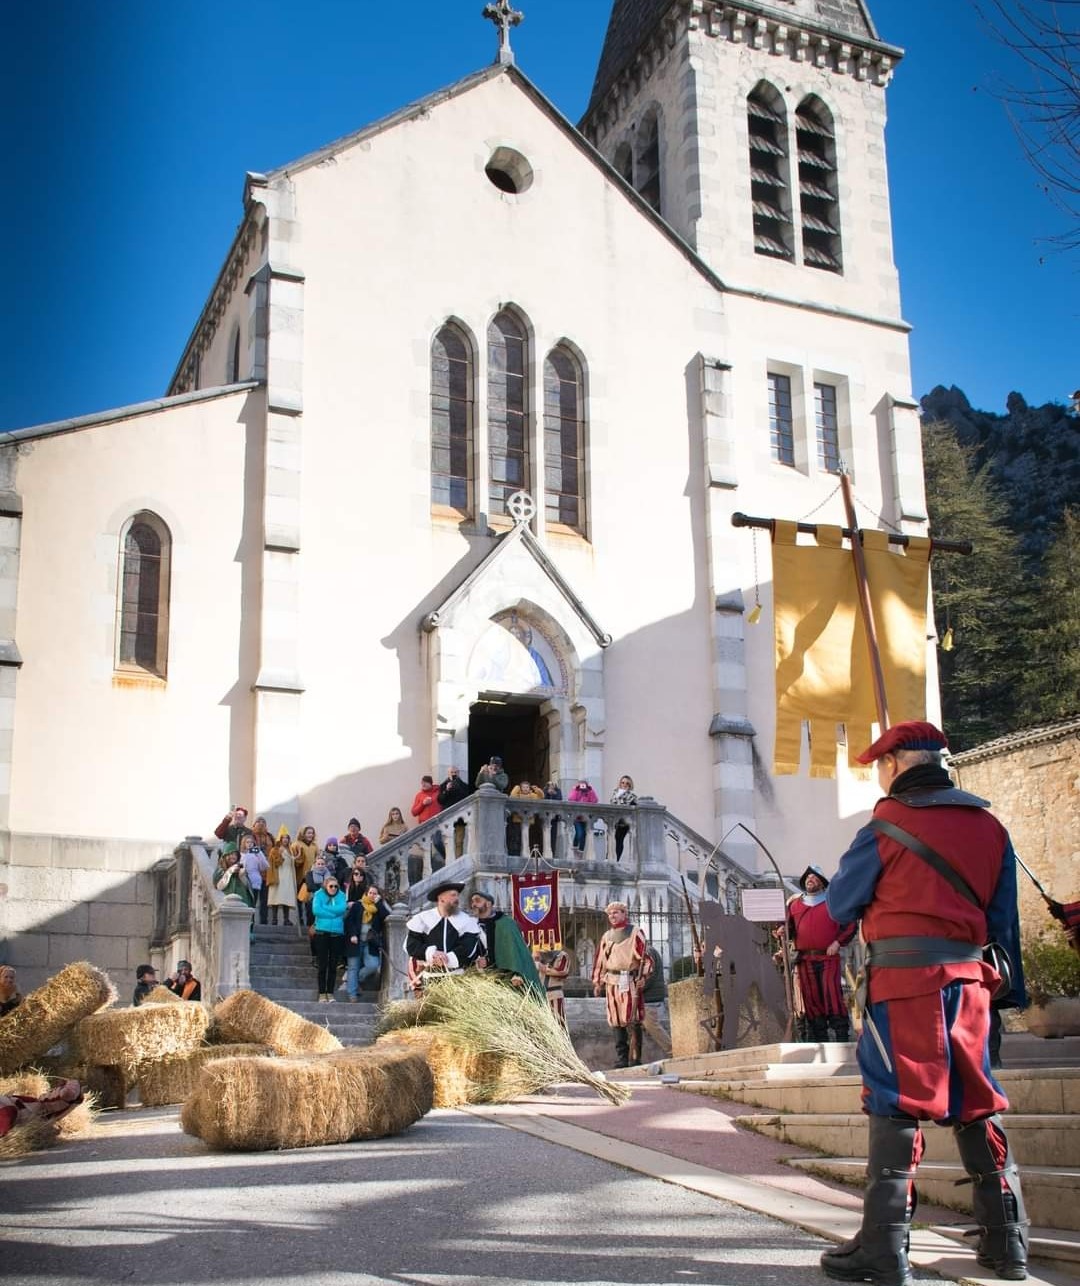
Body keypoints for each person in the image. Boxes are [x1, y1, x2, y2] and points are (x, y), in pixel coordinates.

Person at [819, 721, 1028, 1286]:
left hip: (904, 986)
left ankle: (885, 1252)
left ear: (895, 764)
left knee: (895, 1105)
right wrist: (1012, 996)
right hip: (972, 986)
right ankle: (1008, 1247)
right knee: (977, 1102)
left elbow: (840, 903)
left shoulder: (886, 823)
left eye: (878, 768)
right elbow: (1003, 921)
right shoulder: (989, 826)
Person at [779, 865, 856, 1043]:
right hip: (805, 959)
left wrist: (838, 942)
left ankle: (842, 1039)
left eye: (814, 877)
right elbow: (787, 926)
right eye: (808, 877)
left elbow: (850, 924)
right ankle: (822, 1041)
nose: (810, 879)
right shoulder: (795, 905)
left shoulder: (833, 902)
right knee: (812, 1001)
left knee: (832, 996)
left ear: (821, 882)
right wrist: (782, 929)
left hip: (828, 958)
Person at [592, 901, 652, 1068]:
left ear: (624, 914)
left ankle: (635, 1057)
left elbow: (646, 959)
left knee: (632, 1018)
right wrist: (598, 982)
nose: (612, 916)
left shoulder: (635, 933)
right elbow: (600, 960)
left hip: (630, 980)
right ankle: (622, 1058)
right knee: (615, 1019)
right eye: (610, 913)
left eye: (616, 912)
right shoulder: (606, 936)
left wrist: (644, 977)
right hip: (611, 981)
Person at [405, 881, 484, 985]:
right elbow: (412, 945)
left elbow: (468, 947)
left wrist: (447, 958)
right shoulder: (423, 919)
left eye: (457, 895)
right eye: (453, 895)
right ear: (441, 898)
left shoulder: (466, 921)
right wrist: (432, 954)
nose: (457, 899)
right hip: (429, 980)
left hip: (457, 979)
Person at [469, 889, 544, 997]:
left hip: (506, 980)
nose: (473, 904)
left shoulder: (507, 924)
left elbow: (516, 952)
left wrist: (516, 973)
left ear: (489, 904)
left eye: (477, 901)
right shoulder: (471, 925)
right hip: (481, 981)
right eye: (472, 902)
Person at [344, 884, 389, 1000]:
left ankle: (354, 980)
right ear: (366, 893)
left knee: (373, 965)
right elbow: (350, 921)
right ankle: (352, 994)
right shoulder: (358, 905)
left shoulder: (378, 907)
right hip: (355, 941)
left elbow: (386, 917)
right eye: (371, 893)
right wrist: (353, 934)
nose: (372, 895)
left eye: (375, 893)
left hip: (370, 942)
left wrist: (379, 903)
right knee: (353, 967)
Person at [311, 873, 347, 1002]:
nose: (333, 888)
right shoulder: (318, 895)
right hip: (321, 933)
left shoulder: (342, 896)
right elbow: (316, 911)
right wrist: (333, 913)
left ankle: (330, 993)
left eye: (336, 886)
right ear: (326, 886)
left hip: (336, 934)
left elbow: (342, 909)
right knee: (322, 965)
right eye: (331, 886)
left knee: (333, 965)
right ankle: (321, 993)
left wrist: (325, 909)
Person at [410, 775, 446, 865]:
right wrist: (423, 803)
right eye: (422, 783)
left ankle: (447, 858)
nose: (423, 784)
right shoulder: (419, 795)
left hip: (436, 823)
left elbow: (444, 804)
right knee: (426, 846)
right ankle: (427, 866)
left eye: (425, 782)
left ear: (430, 783)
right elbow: (414, 812)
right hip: (424, 824)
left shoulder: (438, 792)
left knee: (437, 842)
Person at [438, 766, 472, 857]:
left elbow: (466, 798)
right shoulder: (442, 786)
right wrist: (446, 790)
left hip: (460, 818)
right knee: (448, 842)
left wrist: (458, 786)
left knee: (459, 842)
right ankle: (449, 860)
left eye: (455, 772)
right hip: (448, 818)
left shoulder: (464, 785)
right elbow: (440, 800)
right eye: (452, 772)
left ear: (458, 773)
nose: (454, 774)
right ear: (448, 773)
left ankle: (458, 860)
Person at [267, 825, 297, 927]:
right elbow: (275, 863)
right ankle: (274, 919)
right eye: (283, 838)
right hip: (278, 874)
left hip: (288, 875)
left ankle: (286, 919)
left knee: (286, 897)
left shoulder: (291, 850)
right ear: (280, 839)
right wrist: (279, 855)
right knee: (276, 897)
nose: (285, 840)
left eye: (287, 838)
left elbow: (295, 861)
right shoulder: (275, 850)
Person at [238, 832, 270, 924]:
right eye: (247, 842)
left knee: (253, 902)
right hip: (243, 880)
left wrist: (259, 853)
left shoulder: (257, 854)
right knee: (244, 902)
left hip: (254, 880)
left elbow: (265, 866)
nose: (249, 844)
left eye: (251, 842)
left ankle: (251, 922)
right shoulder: (240, 854)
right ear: (244, 843)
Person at [378, 807, 408, 903]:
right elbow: (381, 841)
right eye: (393, 814)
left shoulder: (404, 826)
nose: (395, 816)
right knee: (391, 876)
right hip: (390, 855)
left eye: (397, 813)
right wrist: (386, 837)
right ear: (390, 816)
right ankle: (391, 897)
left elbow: (409, 840)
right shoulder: (386, 827)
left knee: (400, 875)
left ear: (400, 815)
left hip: (400, 855)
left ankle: (399, 895)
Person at [507, 778, 544, 856]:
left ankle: (527, 852)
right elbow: (512, 796)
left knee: (527, 838)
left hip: (529, 820)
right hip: (517, 820)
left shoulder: (532, 795)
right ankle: (516, 853)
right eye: (523, 787)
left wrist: (536, 789)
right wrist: (517, 787)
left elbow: (541, 796)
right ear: (521, 788)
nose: (525, 789)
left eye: (527, 787)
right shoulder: (518, 794)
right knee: (517, 837)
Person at [535, 947, 571, 1025]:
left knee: (558, 1022)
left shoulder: (563, 955)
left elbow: (562, 972)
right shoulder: (537, 954)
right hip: (540, 993)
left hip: (554, 993)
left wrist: (542, 967)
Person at [292, 826, 319, 928]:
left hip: (311, 877)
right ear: (303, 834)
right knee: (299, 899)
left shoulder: (314, 846)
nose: (310, 835)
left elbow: (317, 859)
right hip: (300, 876)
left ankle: (309, 920)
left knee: (309, 901)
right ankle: (300, 920)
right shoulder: (296, 845)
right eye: (308, 833)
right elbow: (293, 860)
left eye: (312, 833)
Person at [215, 842, 254, 906]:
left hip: (243, 902)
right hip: (227, 903)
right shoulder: (220, 870)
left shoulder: (240, 867)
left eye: (235, 854)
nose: (233, 856)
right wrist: (230, 871)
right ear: (225, 856)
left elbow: (248, 888)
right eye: (230, 854)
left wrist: (242, 876)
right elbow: (219, 886)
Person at [609, 775, 637, 861]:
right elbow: (612, 804)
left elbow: (631, 807)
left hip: (624, 822)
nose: (624, 785)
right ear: (620, 783)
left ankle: (616, 859)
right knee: (610, 840)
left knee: (619, 839)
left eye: (627, 783)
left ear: (630, 785)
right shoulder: (615, 793)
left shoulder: (632, 796)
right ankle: (608, 858)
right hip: (613, 820)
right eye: (623, 782)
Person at [568, 779, 598, 853]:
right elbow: (571, 799)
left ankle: (581, 851)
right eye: (581, 785)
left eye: (584, 785)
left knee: (584, 834)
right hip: (577, 817)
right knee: (579, 833)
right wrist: (575, 790)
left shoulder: (589, 791)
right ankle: (575, 846)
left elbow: (595, 800)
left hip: (586, 817)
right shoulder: (576, 791)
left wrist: (590, 790)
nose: (582, 786)